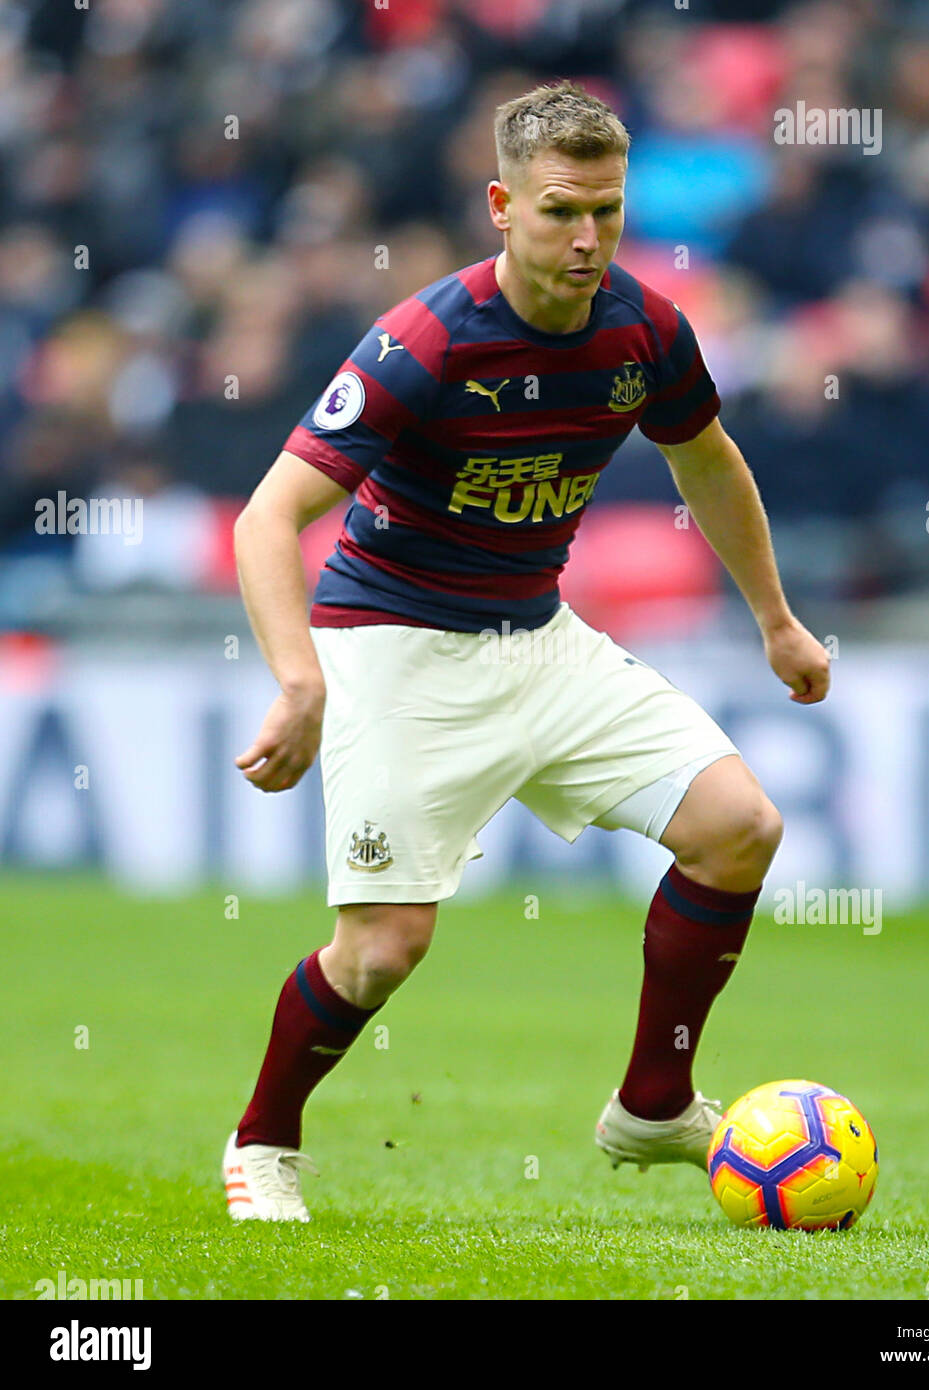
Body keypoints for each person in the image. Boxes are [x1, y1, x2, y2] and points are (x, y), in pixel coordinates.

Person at [223, 80, 829, 1221]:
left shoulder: (645, 328)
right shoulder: (425, 343)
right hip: (396, 649)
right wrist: (299, 680)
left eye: (606, 211)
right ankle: (262, 1141)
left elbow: (708, 460)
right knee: (383, 951)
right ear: (502, 206)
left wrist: (777, 620)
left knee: (739, 828)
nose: (588, 238)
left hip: (541, 638)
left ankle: (653, 1104)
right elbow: (268, 518)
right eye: (560, 212)